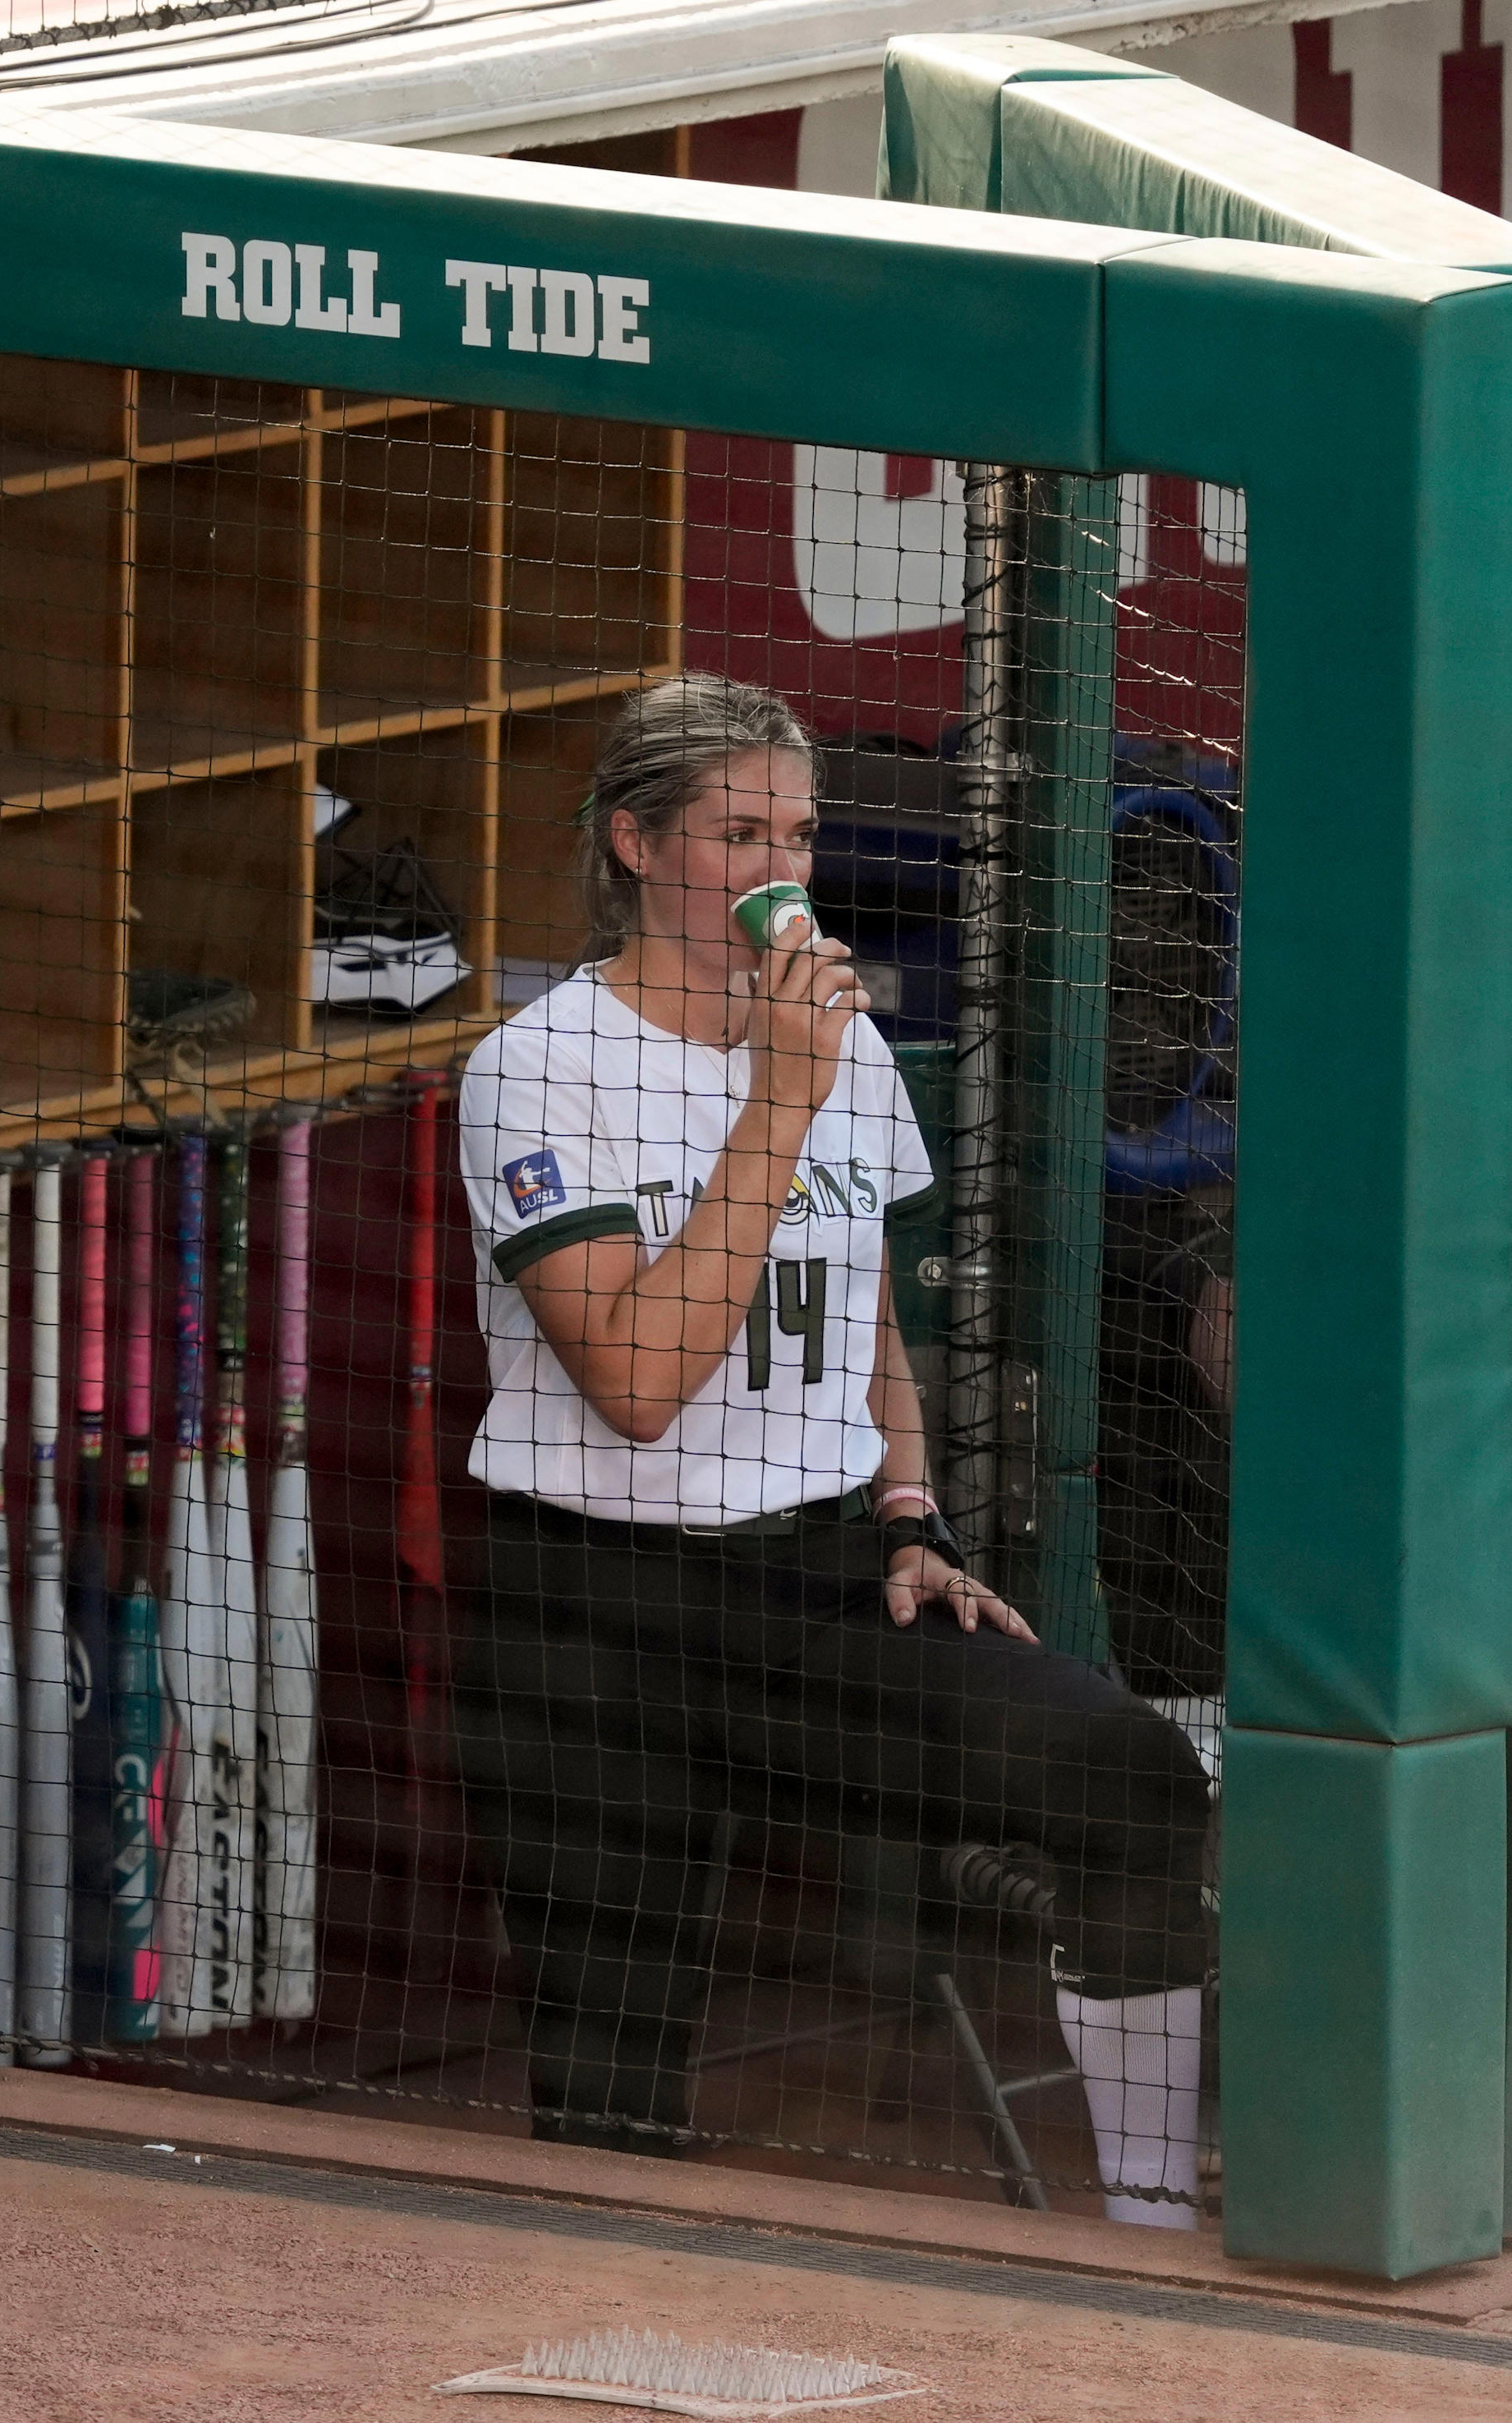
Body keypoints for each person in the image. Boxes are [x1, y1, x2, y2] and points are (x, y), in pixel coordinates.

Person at [448, 673, 1216, 2228]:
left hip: (815, 1582)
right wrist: (778, 1101)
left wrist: (909, 1508)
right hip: (588, 1604)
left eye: (796, 829)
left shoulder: (839, 1040)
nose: (780, 868)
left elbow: (860, 1309)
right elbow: (641, 1381)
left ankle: (1145, 2217)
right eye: (738, 831)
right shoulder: (540, 1065)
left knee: (1130, 1778)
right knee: (610, 2078)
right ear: (637, 843)